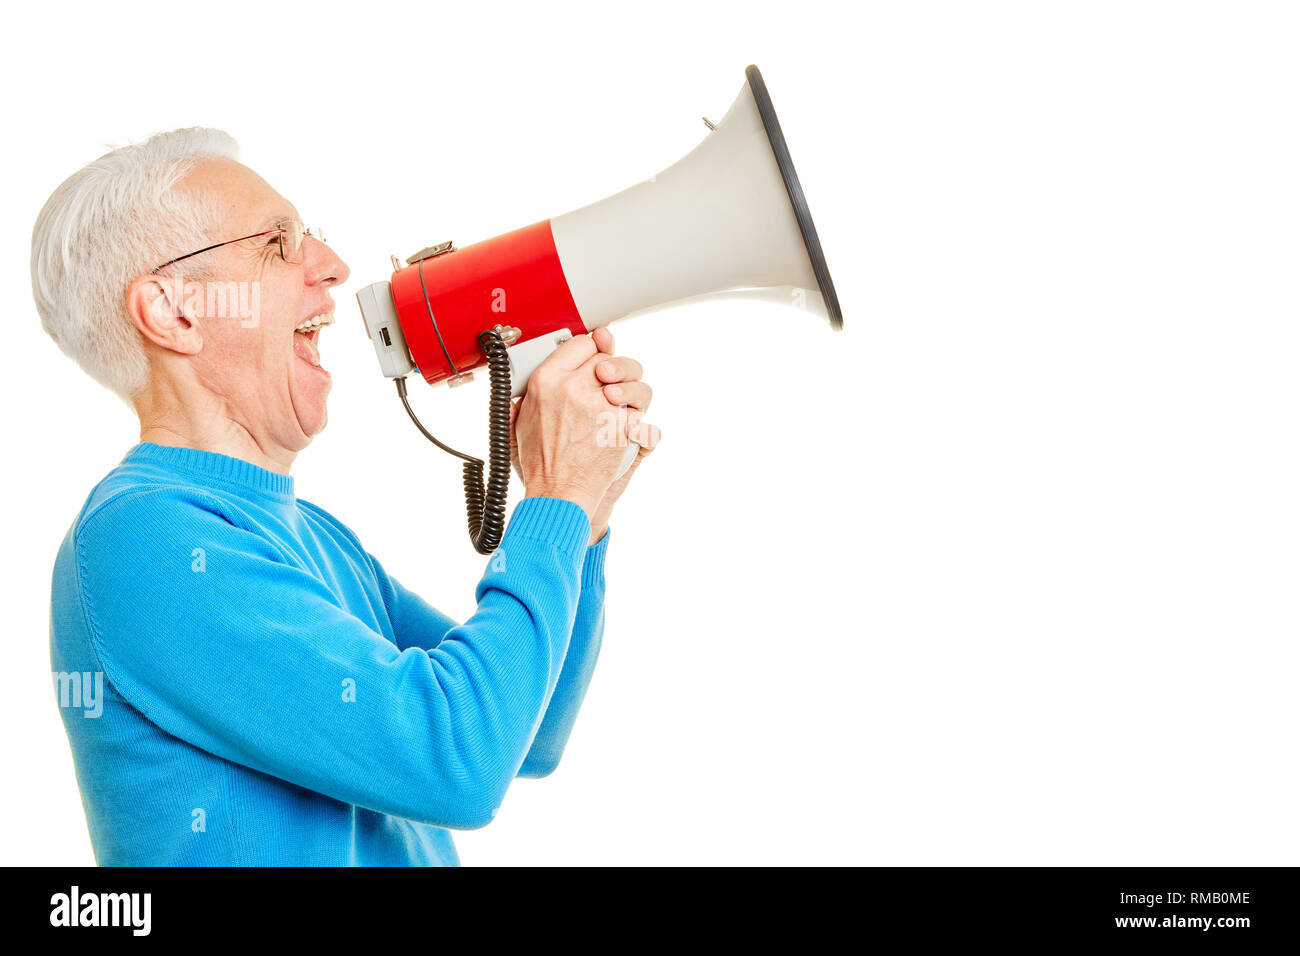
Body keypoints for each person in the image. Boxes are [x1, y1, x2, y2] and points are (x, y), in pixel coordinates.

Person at [33, 127, 660, 865]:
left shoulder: (317, 535)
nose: (332, 267)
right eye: (280, 242)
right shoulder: (144, 538)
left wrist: (583, 514)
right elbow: (455, 761)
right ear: (173, 311)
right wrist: (554, 500)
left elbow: (533, 729)